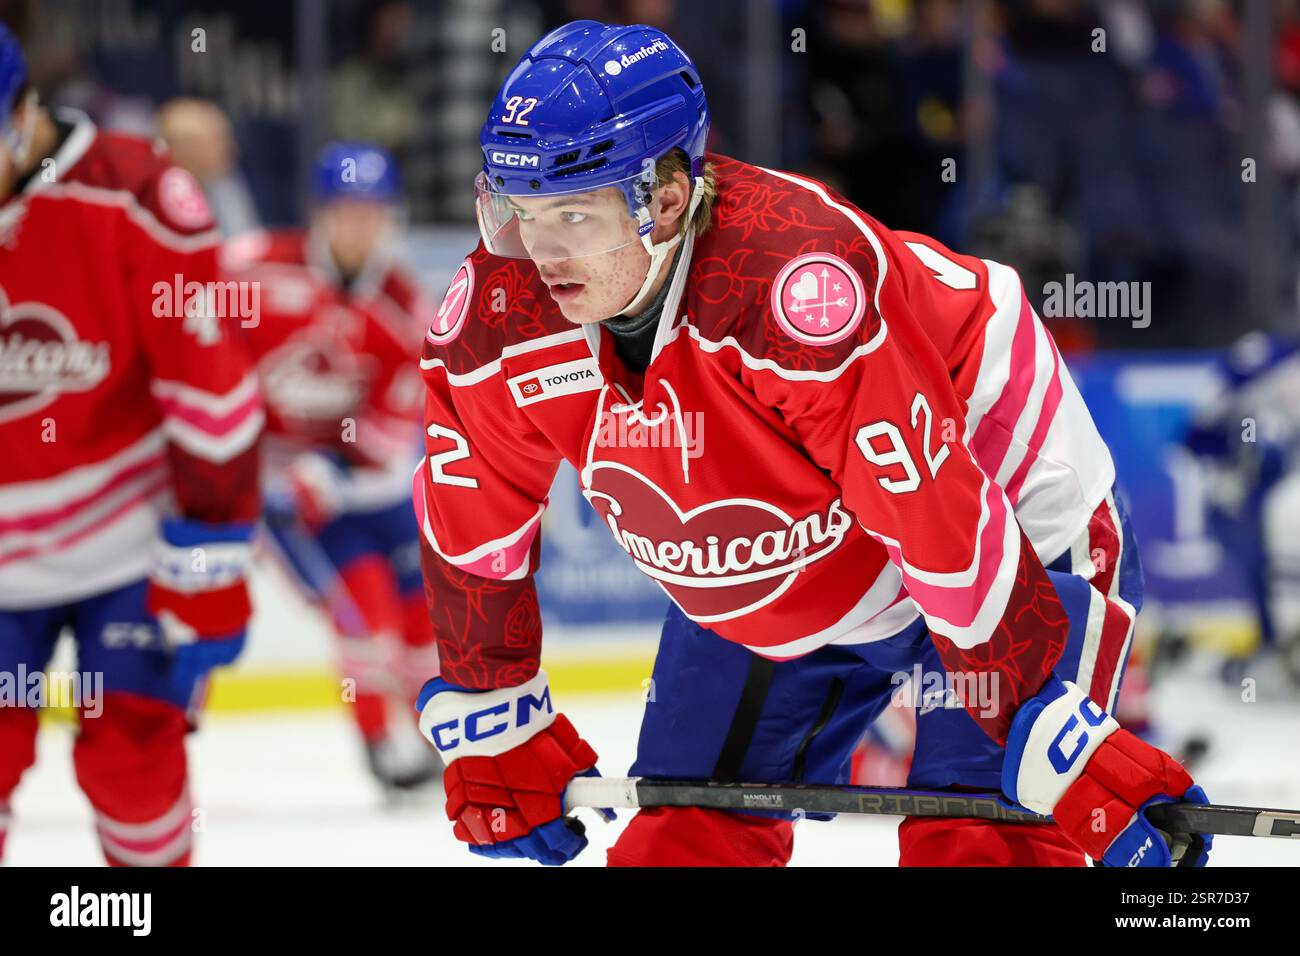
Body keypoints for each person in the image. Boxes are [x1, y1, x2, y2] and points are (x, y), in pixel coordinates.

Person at [412, 20, 1213, 866]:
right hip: (799, 549)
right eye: (519, 208)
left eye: (573, 213)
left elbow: (938, 516)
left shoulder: (792, 288)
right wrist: (494, 708)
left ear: (669, 199)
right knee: (679, 849)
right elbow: (473, 530)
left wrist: (1048, 730)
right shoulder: (500, 313)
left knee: (979, 848)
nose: (538, 253)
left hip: (998, 520)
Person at [0, 24, 263, 865]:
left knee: (134, 763)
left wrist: (215, 553)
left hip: (123, 542)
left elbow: (209, 388)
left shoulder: (135, 191)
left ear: (20, 114)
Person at [225, 141, 440, 792]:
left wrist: (332, 472)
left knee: (423, 623)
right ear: (319, 212)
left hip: (369, 494)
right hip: (291, 502)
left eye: (370, 210)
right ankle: (379, 745)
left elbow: (390, 435)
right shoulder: (254, 270)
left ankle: (436, 742)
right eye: (344, 209)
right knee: (366, 612)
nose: (357, 224)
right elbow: (191, 335)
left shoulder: (404, 307)